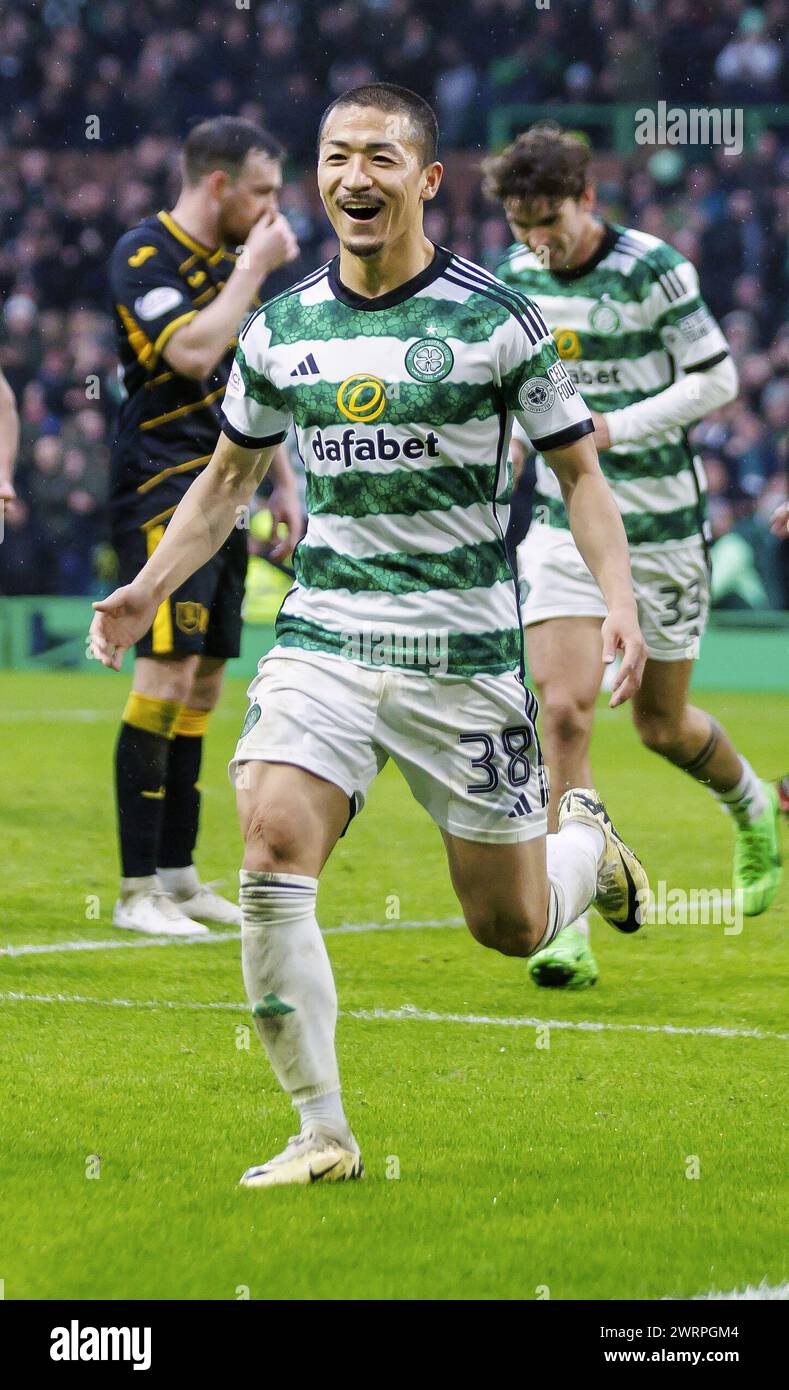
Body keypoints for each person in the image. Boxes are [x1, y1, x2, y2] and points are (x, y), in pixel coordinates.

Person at [91, 84, 649, 1188]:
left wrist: (617, 595)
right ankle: (323, 1130)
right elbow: (228, 480)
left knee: (513, 922)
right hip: (329, 636)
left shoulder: (497, 320)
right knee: (271, 846)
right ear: (318, 175)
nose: (356, 175)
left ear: (426, 179)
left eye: (381, 157)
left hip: (464, 656)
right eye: (337, 155)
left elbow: (579, 470)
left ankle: (586, 845)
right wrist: (146, 586)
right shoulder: (283, 325)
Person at [484, 123, 782, 991]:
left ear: (585, 198)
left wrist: (610, 426)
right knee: (564, 712)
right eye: (519, 223)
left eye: (547, 220)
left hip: (659, 526)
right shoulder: (512, 280)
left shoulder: (652, 266)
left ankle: (749, 803)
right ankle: (566, 920)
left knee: (659, 726)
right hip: (562, 523)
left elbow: (716, 379)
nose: (535, 240)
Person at [107, 116, 303, 937]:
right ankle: (134, 891)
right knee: (164, 675)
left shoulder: (232, 267)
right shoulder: (143, 254)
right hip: (162, 484)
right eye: (261, 191)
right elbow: (191, 354)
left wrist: (284, 483)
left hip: (230, 488)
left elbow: (247, 386)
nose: (271, 211)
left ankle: (180, 876)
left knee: (204, 683)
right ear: (217, 183)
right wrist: (253, 269)